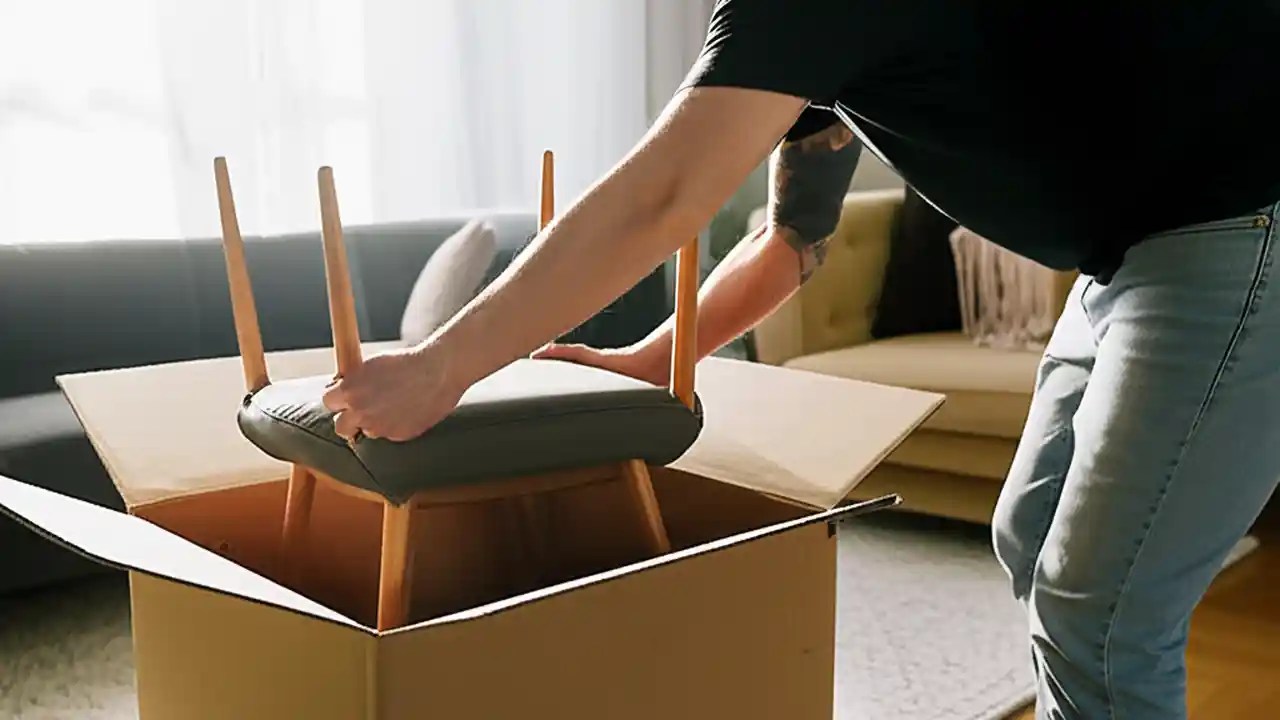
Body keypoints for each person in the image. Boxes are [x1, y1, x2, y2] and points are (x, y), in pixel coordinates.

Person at [322, 3, 1280, 717]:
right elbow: (788, 241)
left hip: (1238, 220)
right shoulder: (797, 36)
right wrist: (662, 356)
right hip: (1143, 247)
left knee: (1098, 612)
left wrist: (445, 362)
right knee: (1032, 540)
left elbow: (667, 198)